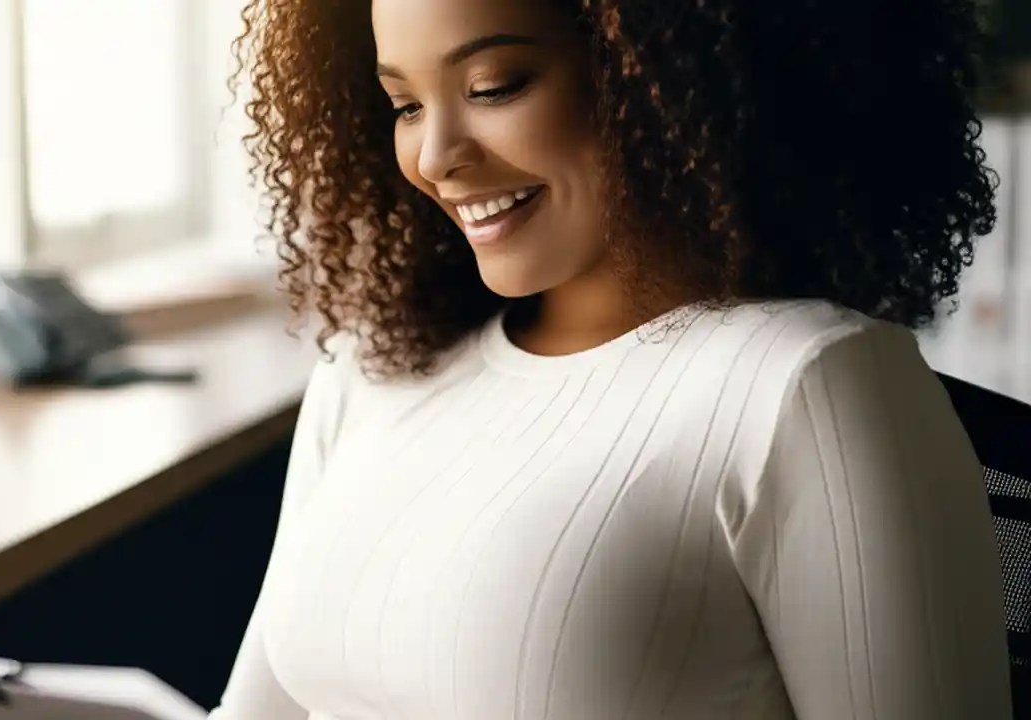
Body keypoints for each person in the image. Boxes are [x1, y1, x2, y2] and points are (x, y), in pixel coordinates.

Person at [208, 0, 1013, 717]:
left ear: (661, 75)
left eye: (493, 86)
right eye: (407, 105)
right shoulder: (370, 370)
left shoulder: (807, 384)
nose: (435, 155)